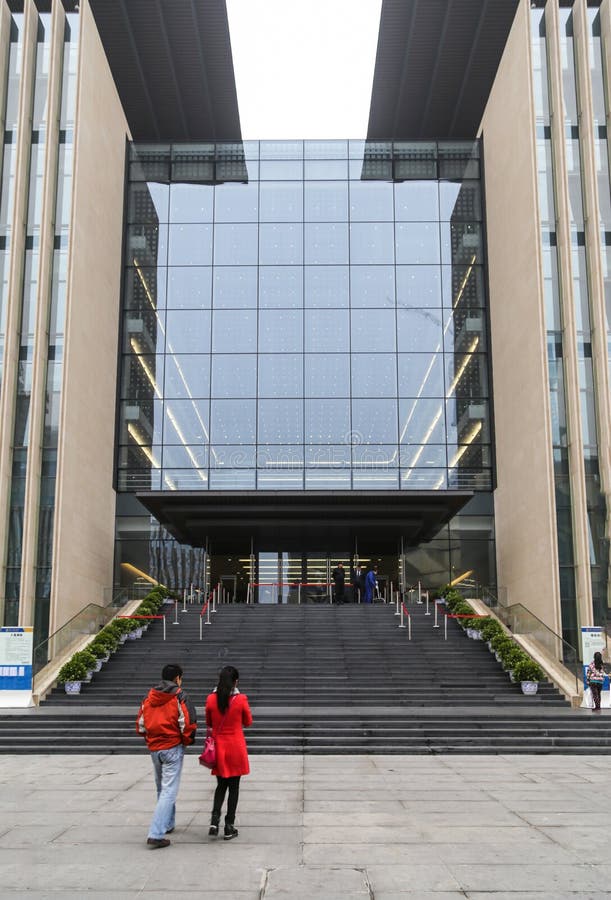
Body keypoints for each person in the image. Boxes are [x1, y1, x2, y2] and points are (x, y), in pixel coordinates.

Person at [136, 663, 197, 849]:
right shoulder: (179, 695)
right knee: (169, 789)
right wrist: (186, 741)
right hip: (172, 746)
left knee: (161, 787)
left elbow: (141, 724)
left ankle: (168, 823)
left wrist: (150, 738)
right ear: (178, 678)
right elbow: (188, 722)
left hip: (155, 747)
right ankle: (156, 833)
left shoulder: (149, 696)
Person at [205, 665, 253, 840]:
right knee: (234, 787)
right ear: (236, 682)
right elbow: (248, 721)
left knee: (221, 785)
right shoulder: (241, 699)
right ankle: (229, 825)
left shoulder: (211, 699)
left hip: (219, 748)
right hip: (236, 747)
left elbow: (209, 722)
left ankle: (214, 820)